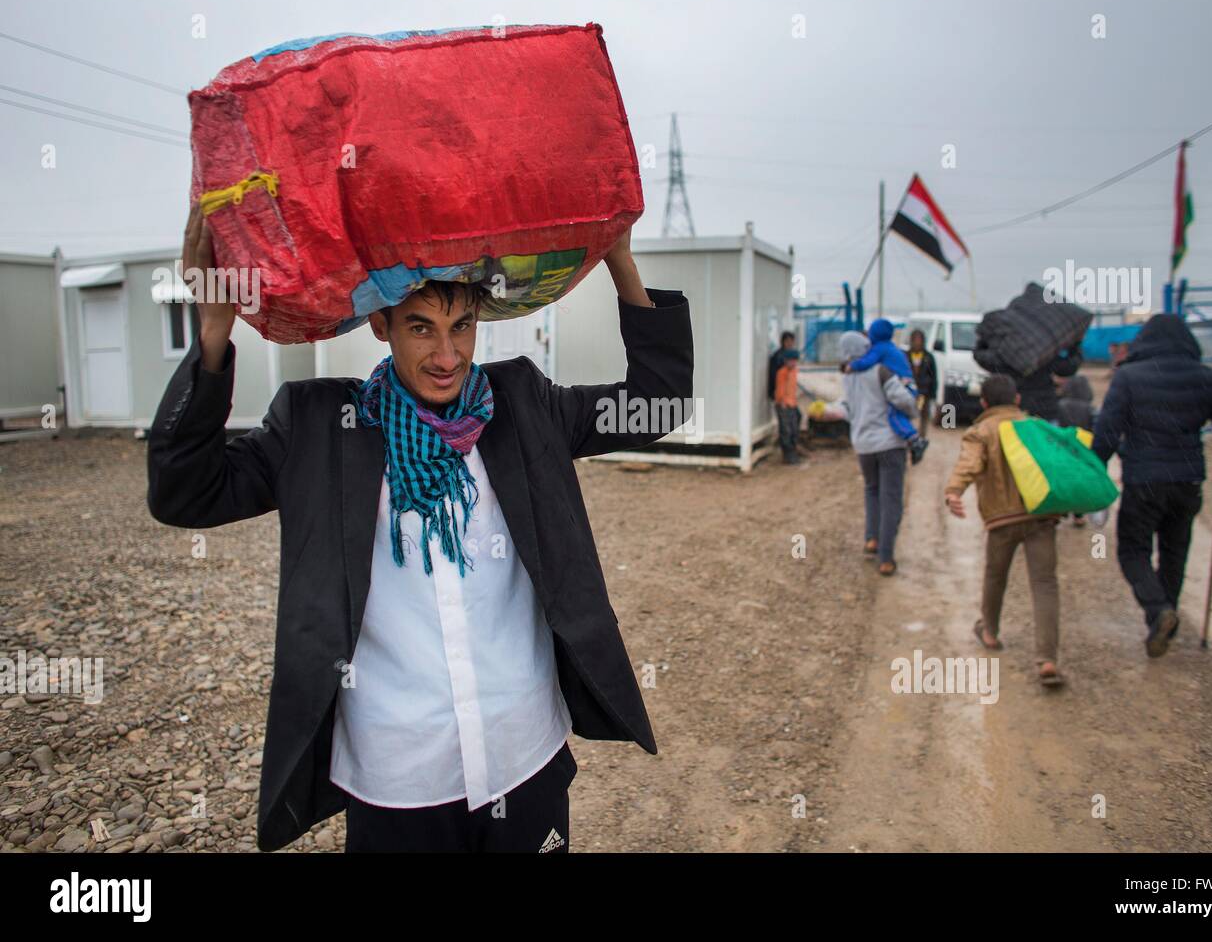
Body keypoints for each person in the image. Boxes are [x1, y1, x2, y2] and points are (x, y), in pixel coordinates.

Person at [147, 206, 693, 852]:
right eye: (420, 328)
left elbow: (659, 401)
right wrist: (214, 331)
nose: (446, 355)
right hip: (396, 779)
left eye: (461, 326)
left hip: (523, 754)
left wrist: (618, 259)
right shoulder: (319, 429)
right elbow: (186, 491)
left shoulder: (525, 406)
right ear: (380, 325)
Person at [1091, 313, 1212, 658]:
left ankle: (1157, 610)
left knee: (1133, 550)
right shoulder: (1208, 378)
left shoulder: (1128, 377)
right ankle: (1164, 621)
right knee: (1174, 553)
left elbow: (1106, 431)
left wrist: (1094, 468)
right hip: (1187, 481)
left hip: (1143, 480)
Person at [944, 374, 1063, 686]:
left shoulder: (980, 431)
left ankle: (990, 631)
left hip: (1001, 521)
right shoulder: (1035, 426)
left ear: (984, 402)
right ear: (1017, 399)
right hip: (1040, 517)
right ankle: (1047, 659)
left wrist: (954, 492)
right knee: (1044, 584)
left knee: (995, 576)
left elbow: (968, 464)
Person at [839, 331, 916, 575]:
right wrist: (912, 407)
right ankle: (886, 557)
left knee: (872, 491)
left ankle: (872, 538)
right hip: (889, 443)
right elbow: (905, 401)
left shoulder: (848, 376)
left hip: (864, 446)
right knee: (891, 499)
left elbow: (847, 409)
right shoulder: (881, 371)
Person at [973, 282, 1083, 421]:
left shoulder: (1002, 357)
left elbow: (980, 356)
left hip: (1012, 417)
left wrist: (984, 338)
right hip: (1045, 414)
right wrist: (1075, 344)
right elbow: (1069, 368)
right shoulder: (1045, 355)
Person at [841, 318, 929, 464]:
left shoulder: (880, 349)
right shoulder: (891, 348)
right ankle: (913, 440)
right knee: (897, 413)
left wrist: (852, 366)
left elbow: (867, 361)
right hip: (909, 384)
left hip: (904, 386)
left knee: (894, 414)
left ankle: (914, 439)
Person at [1056, 373, 1096, 526]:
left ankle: (1060, 510)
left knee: (1062, 480)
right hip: (1082, 451)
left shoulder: (1060, 405)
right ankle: (1079, 515)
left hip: (1063, 449)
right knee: (1080, 482)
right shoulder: (1089, 408)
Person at [773, 348, 806, 464]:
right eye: (791, 361)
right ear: (785, 361)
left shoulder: (794, 371)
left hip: (792, 403)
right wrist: (782, 402)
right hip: (784, 404)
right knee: (786, 430)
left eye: (794, 361)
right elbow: (780, 389)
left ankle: (793, 450)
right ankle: (788, 454)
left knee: (794, 428)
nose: (793, 363)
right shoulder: (782, 372)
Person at [907, 328, 939, 439]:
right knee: (909, 415)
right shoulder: (906, 356)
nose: (917, 343)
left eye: (919, 340)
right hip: (909, 393)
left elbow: (934, 376)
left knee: (924, 416)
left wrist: (933, 393)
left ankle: (921, 437)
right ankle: (910, 435)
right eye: (915, 340)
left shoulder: (928, 357)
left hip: (924, 392)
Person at [768, 330, 796, 401]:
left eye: (791, 341)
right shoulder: (778, 356)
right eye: (787, 341)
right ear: (782, 342)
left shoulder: (788, 355)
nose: (790, 343)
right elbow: (774, 376)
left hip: (786, 392)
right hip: (779, 392)